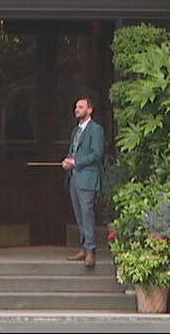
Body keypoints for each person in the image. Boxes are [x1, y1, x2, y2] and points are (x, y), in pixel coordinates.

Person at [60, 95, 105, 268]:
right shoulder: (75, 131)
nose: (77, 110)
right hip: (74, 177)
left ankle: (91, 251)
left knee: (87, 213)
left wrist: (76, 162)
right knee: (79, 215)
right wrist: (68, 161)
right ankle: (84, 248)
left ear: (89, 109)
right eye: (76, 107)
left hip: (88, 178)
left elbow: (97, 154)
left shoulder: (96, 129)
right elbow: (74, 151)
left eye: (80, 107)